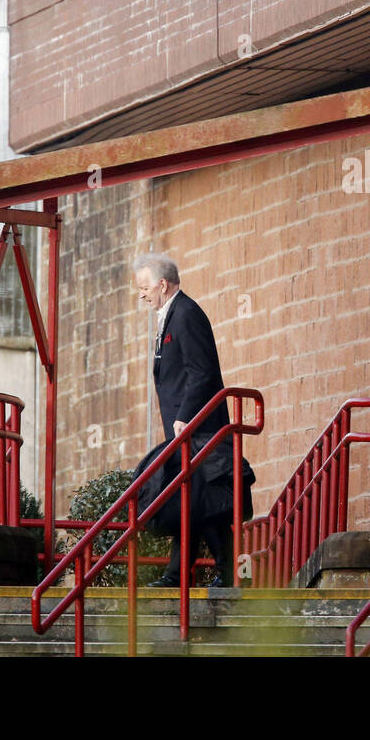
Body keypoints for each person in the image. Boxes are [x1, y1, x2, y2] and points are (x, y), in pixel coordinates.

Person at [132, 252, 248, 588]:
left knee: (201, 501)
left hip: (200, 429)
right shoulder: (171, 314)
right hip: (187, 431)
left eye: (144, 287)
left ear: (163, 285)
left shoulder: (185, 314)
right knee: (193, 501)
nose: (141, 294)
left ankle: (218, 573)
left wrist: (184, 417)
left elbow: (202, 371)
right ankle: (182, 573)